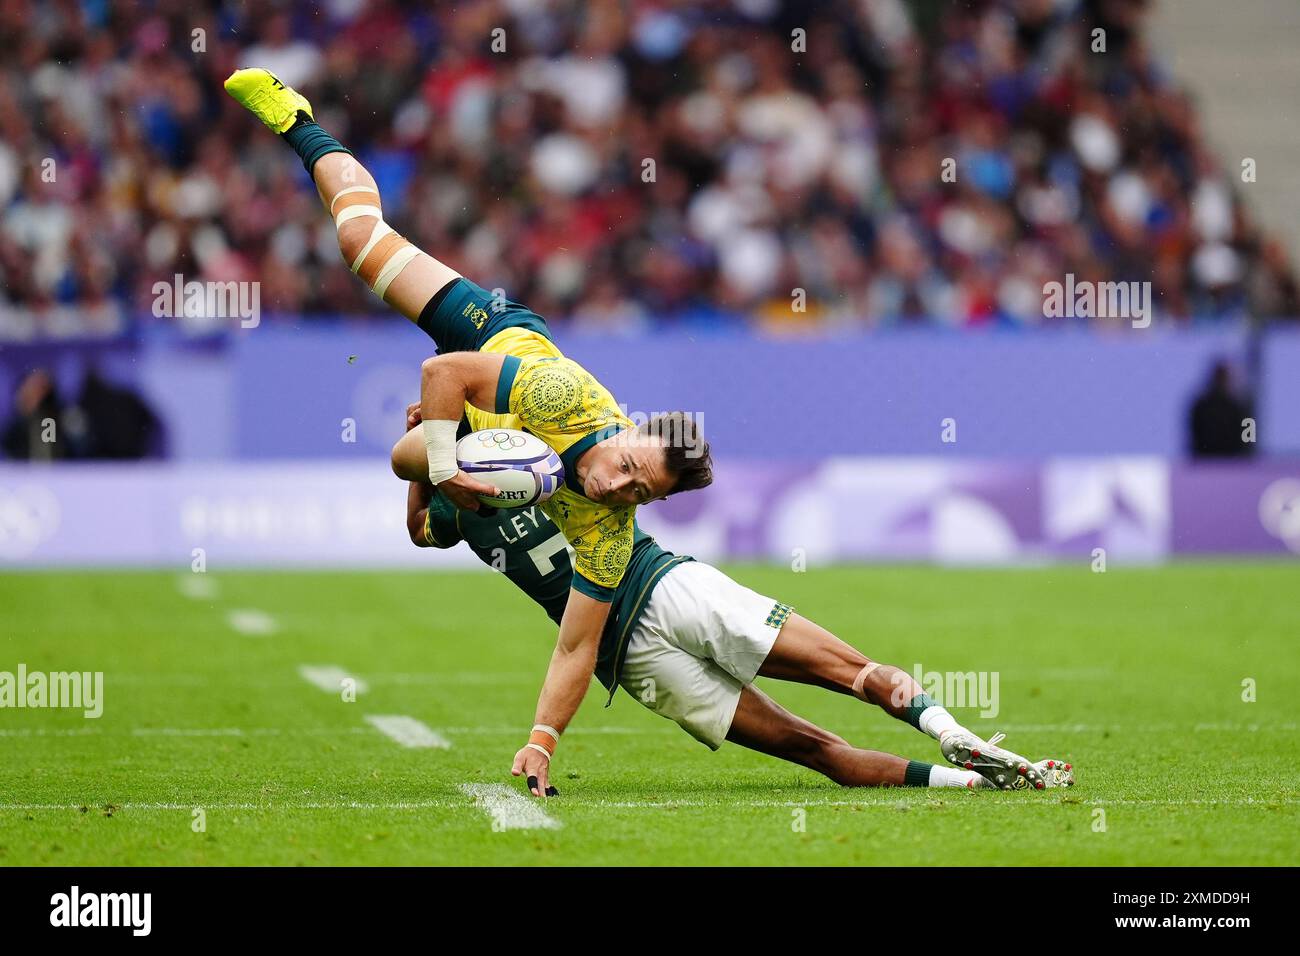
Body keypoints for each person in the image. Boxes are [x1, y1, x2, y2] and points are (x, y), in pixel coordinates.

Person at [226, 68, 713, 798]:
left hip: (463, 437)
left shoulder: (555, 516)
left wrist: (428, 472)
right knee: (361, 241)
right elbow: (443, 377)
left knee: (402, 458)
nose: (618, 488)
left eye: (637, 491)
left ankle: (435, 439)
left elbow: (428, 533)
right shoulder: (566, 402)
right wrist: (448, 456)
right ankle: (298, 121)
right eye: (631, 471)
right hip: (491, 345)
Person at [403, 407, 1075, 794]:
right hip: (664, 602)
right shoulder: (537, 451)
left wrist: (428, 463)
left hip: (637, 637)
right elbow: (421, 528)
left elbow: (420, 521)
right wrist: (427, 464)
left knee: (815, 746)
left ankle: (966, 768)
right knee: (851, 677)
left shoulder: (489, 479)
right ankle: (965, 758)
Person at [1188, 360, 1254, 458]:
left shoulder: (1239, 407)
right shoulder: (1202, 406)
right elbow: (1194, 437)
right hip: (1207, 461)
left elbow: (1248, 438)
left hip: (1233, 462)